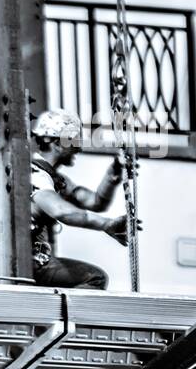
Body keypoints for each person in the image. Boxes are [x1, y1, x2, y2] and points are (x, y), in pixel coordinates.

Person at [29, 109, 132, 289]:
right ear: (54, 141)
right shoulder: (35, 174)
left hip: (37, 259)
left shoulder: (55, 180)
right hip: (29, 262)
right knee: (94, 278)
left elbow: (95, 202)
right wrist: (106, 224)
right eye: (73, 140)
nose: (79, 147)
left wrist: (111, 175)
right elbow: (61, 211)